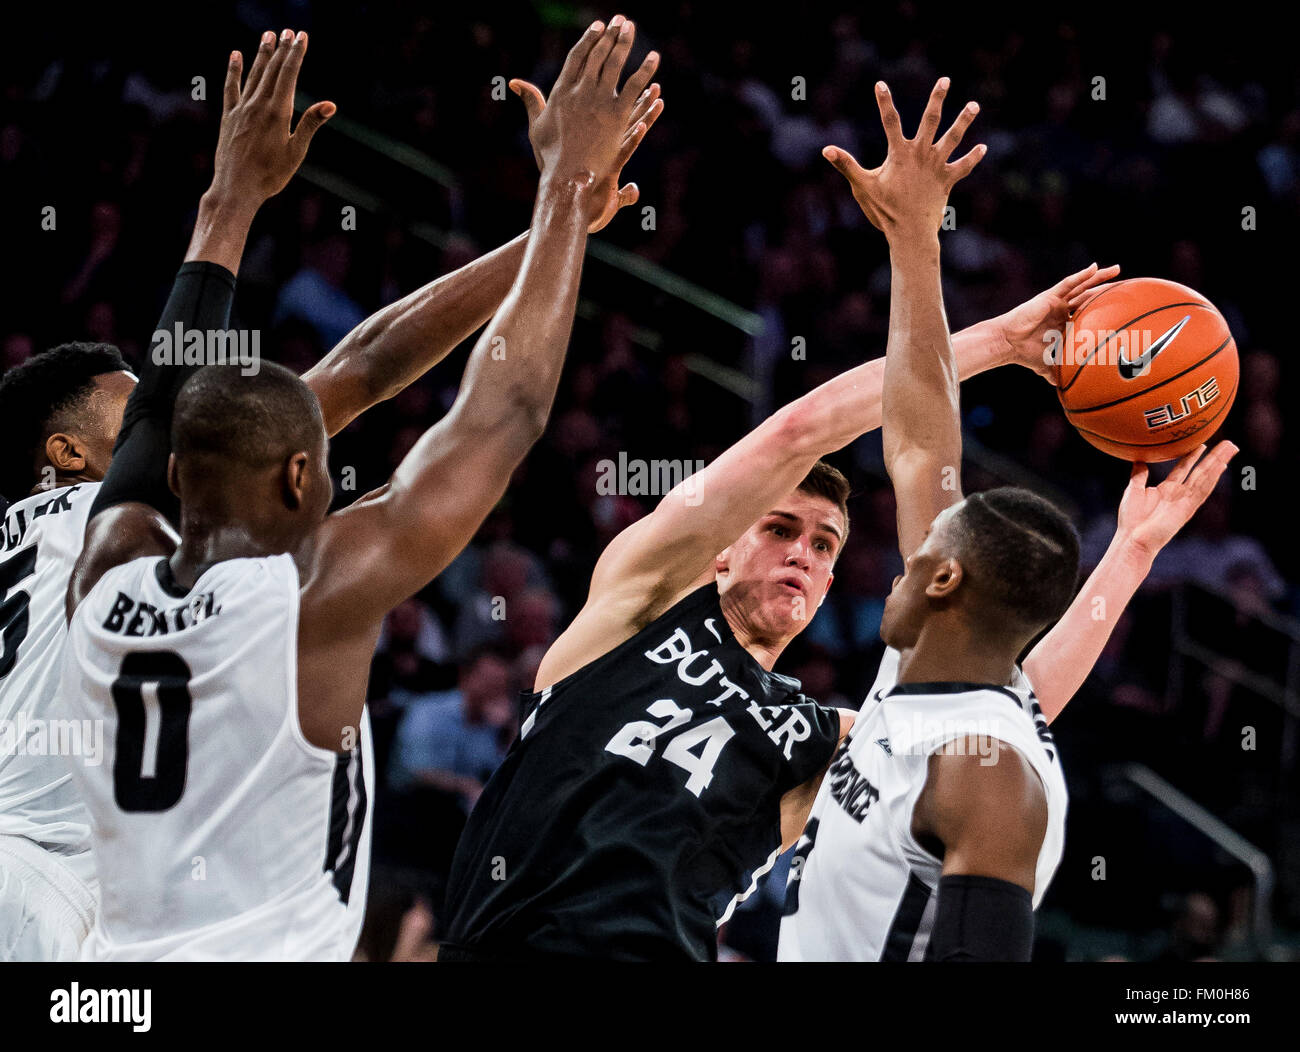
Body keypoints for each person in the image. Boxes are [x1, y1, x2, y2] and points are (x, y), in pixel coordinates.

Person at [439, 114, 1137, 964]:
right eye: (781, 528)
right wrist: (996, 341)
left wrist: (1134, 548)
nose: (804, 552)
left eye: (826, 544)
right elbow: (797, 432)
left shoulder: (818, 735)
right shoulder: (639, 606)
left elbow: (996, 694)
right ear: (723, 548)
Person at [60, 15, 660, 961]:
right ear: (302, 476)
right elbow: (503, 413)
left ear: (177, 476)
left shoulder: (106, 561)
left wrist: (230, 201)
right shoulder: (311, 594)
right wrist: (565, 189)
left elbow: (359, 367)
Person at [776, 78, 1238, 961]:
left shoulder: (988, 776)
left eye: (921, 553)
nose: (901, 555)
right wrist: (914, 242)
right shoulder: (931, 687)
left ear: (946, 579)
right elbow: (917, 438)